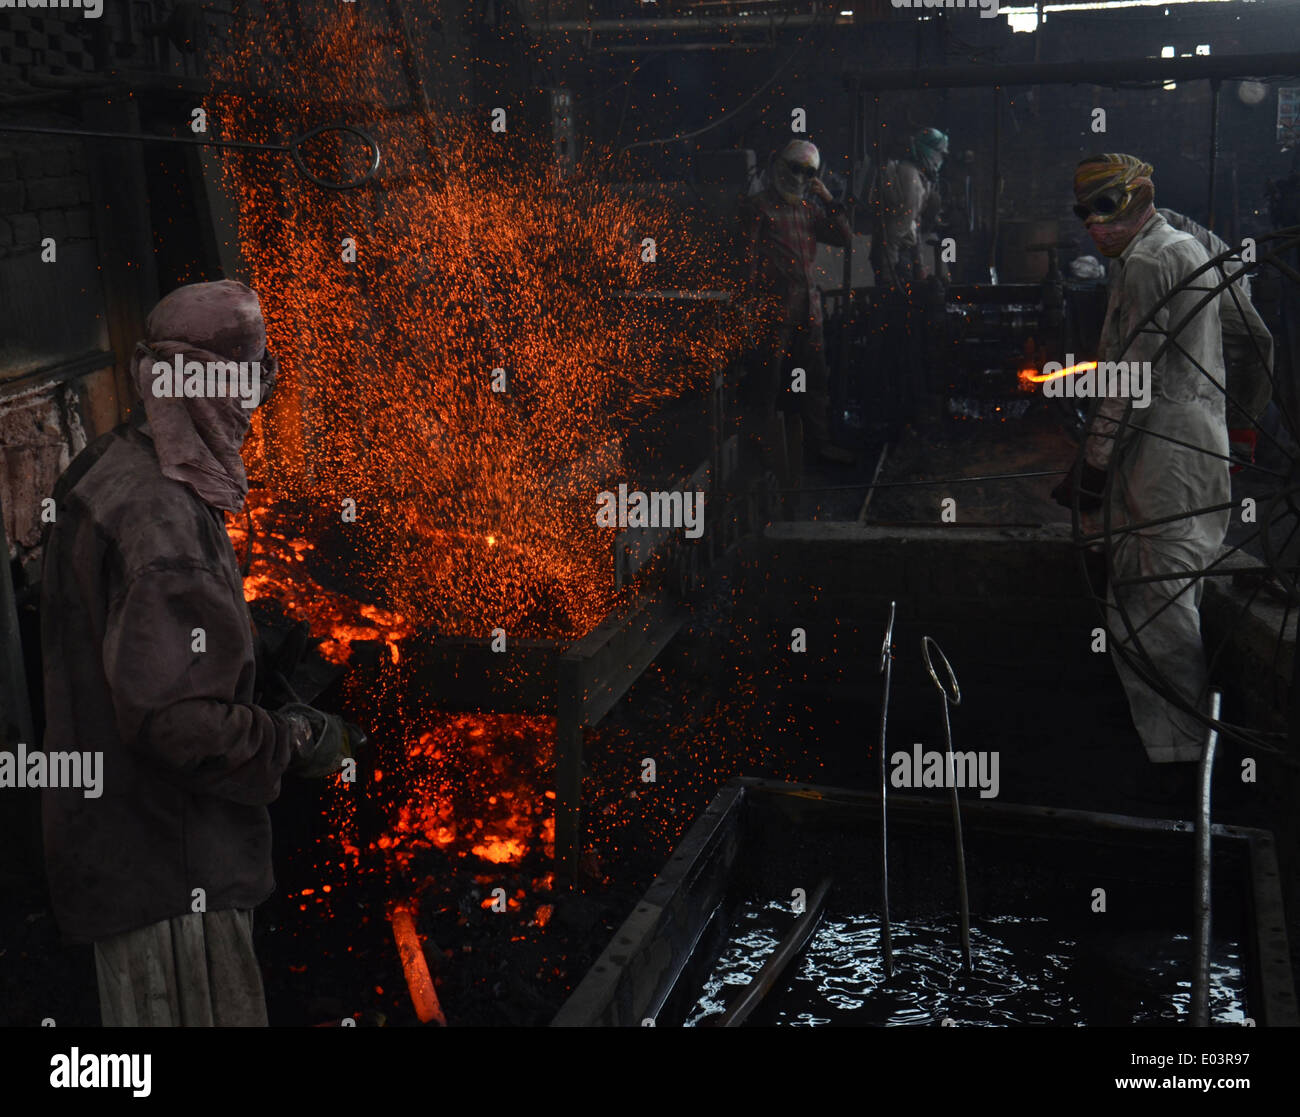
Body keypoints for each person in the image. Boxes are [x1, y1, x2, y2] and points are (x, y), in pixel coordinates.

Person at [40, 279, 362, 1026]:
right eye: (246, 383)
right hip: (170, 876)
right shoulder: (165, 522)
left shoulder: (107, 465)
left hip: (116, 852)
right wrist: (292, 739)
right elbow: (175, 724)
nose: (252, 410)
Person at [1052, 155, 1264, 775]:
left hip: (1161, 458)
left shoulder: (1147, 262)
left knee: (1153, 602)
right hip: (1194, 446)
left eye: (1105, 206)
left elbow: (1131, 379)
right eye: (1083, 212)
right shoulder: (1184, 245)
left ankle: (1184, 762)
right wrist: (1242, 426)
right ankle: (1188, 754)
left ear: (1139, 196)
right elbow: (1246, 336)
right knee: (1170, 592)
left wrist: (1092, 467)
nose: (1093, 224)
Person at [739, 139, 856, 468]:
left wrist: (829, 200)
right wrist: (747, 306)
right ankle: (760, 456)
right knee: (767, 383)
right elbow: (746, 263)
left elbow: (844, 237)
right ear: (779, 165)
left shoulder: (808, 210)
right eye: (795, 168)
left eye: (808, 172)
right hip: (774, 310)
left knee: (814, 380)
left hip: (808, 310)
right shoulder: (758, 207)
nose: (799, 177)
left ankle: (816, 447)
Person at [871, 127, 948, 287]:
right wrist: (888, 277)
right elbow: (893, 232)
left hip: (900, 252)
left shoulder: (920, 178)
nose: (940, 160)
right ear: (929, 151)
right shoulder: (911, 180)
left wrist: (919, 267)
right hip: (894, 255)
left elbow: (914, 225)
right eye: (940, 154)